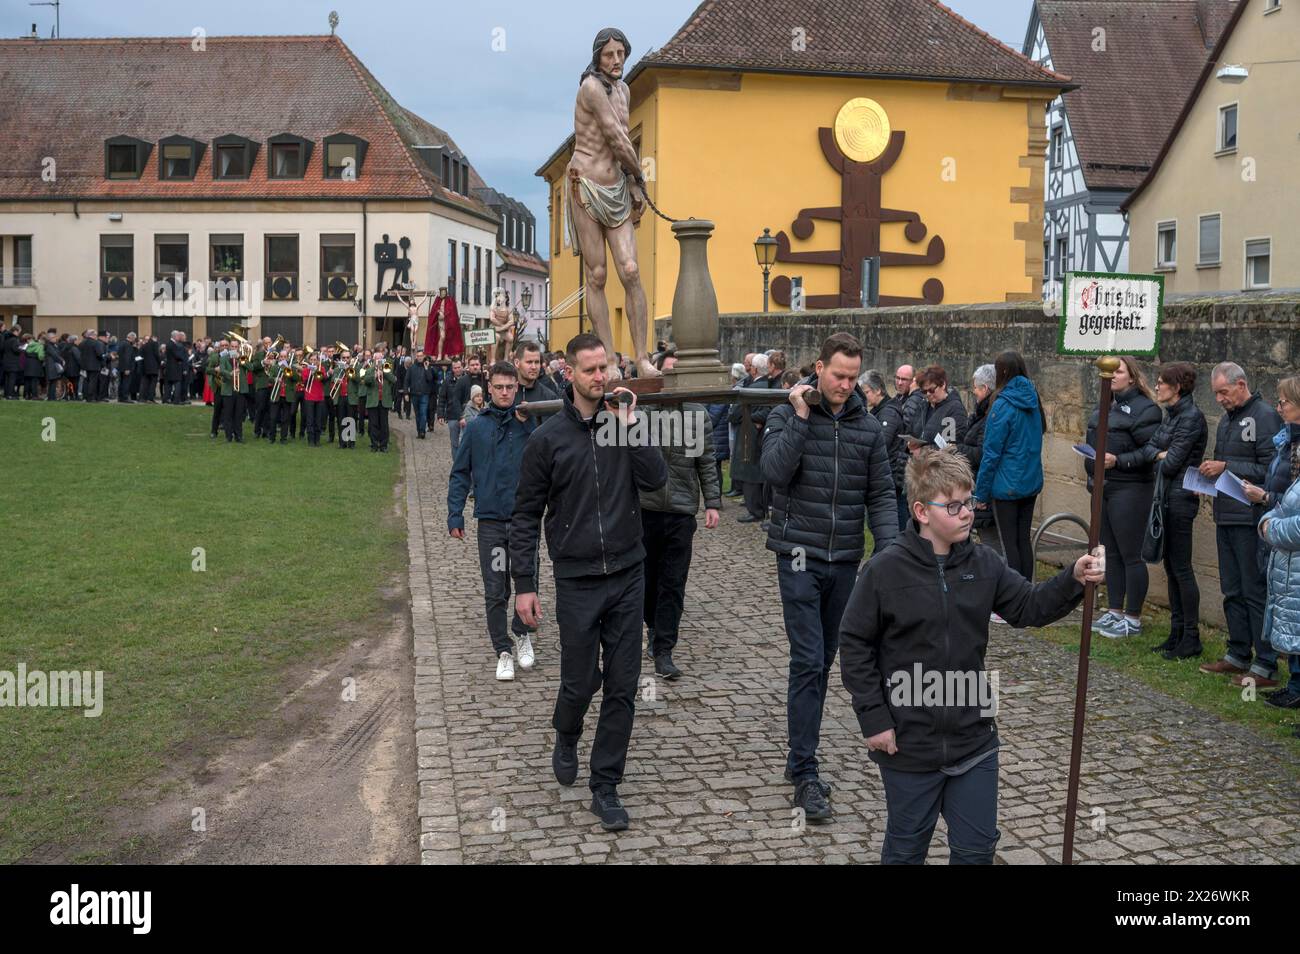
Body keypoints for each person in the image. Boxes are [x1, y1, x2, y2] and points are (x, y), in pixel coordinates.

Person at [839, 448, 1103, 864]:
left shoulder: (984, 564)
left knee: (976, 851)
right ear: (922, 511)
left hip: (973, 739)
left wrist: (1072, 577)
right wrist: (874, 718)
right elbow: (854, 644)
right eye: (955, 505)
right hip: (909, 744)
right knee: (906, 850)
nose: (967, 513)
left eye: (970, 502)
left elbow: (1028, 607)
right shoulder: (884, 571)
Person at [510, 333, 668, 832]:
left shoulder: (624, 426)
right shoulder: (547, 439)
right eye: (591, 370)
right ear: (570, 374)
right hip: (576, 578)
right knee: (580, 683)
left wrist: (633, 427)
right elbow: (526, 514)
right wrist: (525, 584)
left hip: (627, 572)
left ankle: (606, 786)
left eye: (606, 368)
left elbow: (657, 480)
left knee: (622, 686)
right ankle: (566, 731)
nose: (602, 377)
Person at [761, 332, 899, 823]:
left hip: (843, 560)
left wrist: (886, 551)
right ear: (818, 368)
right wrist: (800, 417)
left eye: (851, 376)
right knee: (808, 658)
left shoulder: (866, 428)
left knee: (823, 663)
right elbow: (774, 473)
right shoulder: (785, 414)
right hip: (797, 554)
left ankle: (799, 752)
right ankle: (804, 771)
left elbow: (881, 494)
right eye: (837, 375)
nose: (844, 384)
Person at [448, 361, 539, 681]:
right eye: (498, 387)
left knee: (528, 579)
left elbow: (546, 464)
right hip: (491, 522)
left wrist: (527, 422)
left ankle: (522, 633)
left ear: (518, 388)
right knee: (496, 588)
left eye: (509, 387)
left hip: (524, 521)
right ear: (489, 387)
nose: (504, 392)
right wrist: (454, 512)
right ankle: (503, 649)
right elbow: (460, 472)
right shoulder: (476, 427)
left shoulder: (527, 423)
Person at [1199, 362, 1283, 686]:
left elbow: (1269, 468)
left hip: (1251, 520)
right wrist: (1207, 477)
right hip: (1226, 515)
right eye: (1216, 393)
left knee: (1253, 591)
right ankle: (1237, 654)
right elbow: (1226, 469)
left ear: (1241, 384)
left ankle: (1265, 664)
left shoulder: (1264, 416)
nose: (1219, 398)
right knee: (1231, 589)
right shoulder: (1226, 420)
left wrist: (1225, 465)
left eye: (1223, 391)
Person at [640, 400, 721, 680]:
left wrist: (712, 501)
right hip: (645, 509)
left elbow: (707, 460)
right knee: (647, 580)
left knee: (673, 582)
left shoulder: (698, 414)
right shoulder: (643, 411)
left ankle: (664, 649)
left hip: (681, 510)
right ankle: (652, 624)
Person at [1084, 355, 1161, 640]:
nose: (1112, 375)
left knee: (1131, 555)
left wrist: (1119, 460)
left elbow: (1151, 451)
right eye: (1109, 371)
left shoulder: (1146, 409)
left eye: (1118, 371)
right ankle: (1115, 610)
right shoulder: (1105, 401)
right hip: (1103, 487)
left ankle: (1133, 617)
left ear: (1132, 376)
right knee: (1111, 552)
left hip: (1130, 488)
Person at [1140, 362, 1208, 659]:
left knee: (1181, 568)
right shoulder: (1172, 416)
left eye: (1161, 382)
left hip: (1180, 500)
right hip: (1165, 497)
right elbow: (1148, 452)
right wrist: (1160, 454)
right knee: (1171, 568)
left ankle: (1190, 637)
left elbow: (1169, 464)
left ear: (1176, 387)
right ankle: (1176, 632)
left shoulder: (1191, 417)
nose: (1156, 387)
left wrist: (1160, 455)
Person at [1244, 375, 1300, 711]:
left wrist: (1269, 518)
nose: (1278, 408)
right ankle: (1294, 684)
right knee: (1290, 621)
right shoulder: (1286, 441)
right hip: (1285, 551)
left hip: (1288, 545)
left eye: (1285, 402)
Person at [974, 352, 1046, 586]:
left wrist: (981, 494)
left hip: (1007, 484)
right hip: (1030, 479)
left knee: (1010, 542)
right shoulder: (1033, 398)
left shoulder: (1002, 403)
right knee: (1022, 539)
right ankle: (1027, 593)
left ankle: (1015, 597)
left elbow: (991, 453)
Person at [731, 352, 771, 524]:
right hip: (755, 434)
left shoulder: (753, 389)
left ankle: (754, 510)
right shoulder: (766, 385)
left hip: (748, 436)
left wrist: (751, 419)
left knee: (750, 472)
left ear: (754, 369)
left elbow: (736, 413)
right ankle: (758, 508)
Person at [911, 365, 968, 450]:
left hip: (939, 462)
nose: (928, 394)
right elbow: (914, 432)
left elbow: (950, 447)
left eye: (931, 390)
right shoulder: (923, 405)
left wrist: (923, 451)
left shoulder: (955, 409)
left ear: (943, 385)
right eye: (924, 391)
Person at [360, 353, 397, 453]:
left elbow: (394, 380)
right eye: (377, 358)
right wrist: (375, 375)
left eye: (381, 358)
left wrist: (384, 372)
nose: (379, 359)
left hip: (384, 401)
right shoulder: (370, 369)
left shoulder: (387, 368)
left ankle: (384, 445)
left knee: (384, 424)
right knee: (373, 424)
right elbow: (365, 381)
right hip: (373, 401)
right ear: (374, 359)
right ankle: (374, 445)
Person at [218, 339, 252, 443]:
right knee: (228, 414)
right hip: (228, 390)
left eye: (235, 347)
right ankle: (228, 436)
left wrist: (240, 359)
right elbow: (222, 370)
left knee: (239, 414)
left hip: (240, 390)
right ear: (229, 348)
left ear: (238, 348)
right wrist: (230, 373)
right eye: (232, 347)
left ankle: (239, 436)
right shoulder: (224, 358)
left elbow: (251, 367)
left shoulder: (242, 357)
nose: (233, 348)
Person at [407, 352, 434, 439]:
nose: (419, 357)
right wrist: (405, 393)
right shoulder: (412, 368)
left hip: (424, 394)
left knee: (423, 413)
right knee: (417, 414)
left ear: (424, 357)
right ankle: (419, 431)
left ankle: (422, 431)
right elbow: (406, 380)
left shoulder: (427, 367)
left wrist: (426, 368)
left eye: (421, 356)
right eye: (418, 356)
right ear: (416, 357)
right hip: (414, 394)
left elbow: (430, 379)